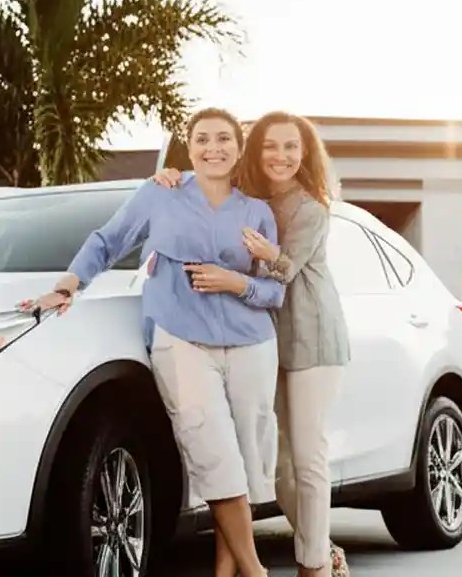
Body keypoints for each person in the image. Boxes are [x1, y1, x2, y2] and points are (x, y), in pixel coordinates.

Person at [20, 107, 286, 577]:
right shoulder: (160, 193)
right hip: (180, 339)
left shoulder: (257, 212)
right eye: (202, 138)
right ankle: (256, 571)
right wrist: (68, 285)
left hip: (251, 344)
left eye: (224, 139)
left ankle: (226, 573)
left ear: (238, 147)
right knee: (213, 454)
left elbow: (275, 291)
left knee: (243, 460)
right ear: (189, 145)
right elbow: (108, 241)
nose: (213, 148)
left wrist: (233, 282)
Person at [151, 110, 351, 577]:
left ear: (304, 154)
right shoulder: (248, 199)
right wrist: (173, 175)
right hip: (259, 343)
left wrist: (267, 253)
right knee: (274, 466)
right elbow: (203, 193)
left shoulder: (310, 208)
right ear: (255, 150)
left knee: (307, 456)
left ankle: (315, 567)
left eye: (291, 147)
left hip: (309, 343)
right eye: (270, 146)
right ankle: (321, 547)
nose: (280, 156)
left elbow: (283, 273)